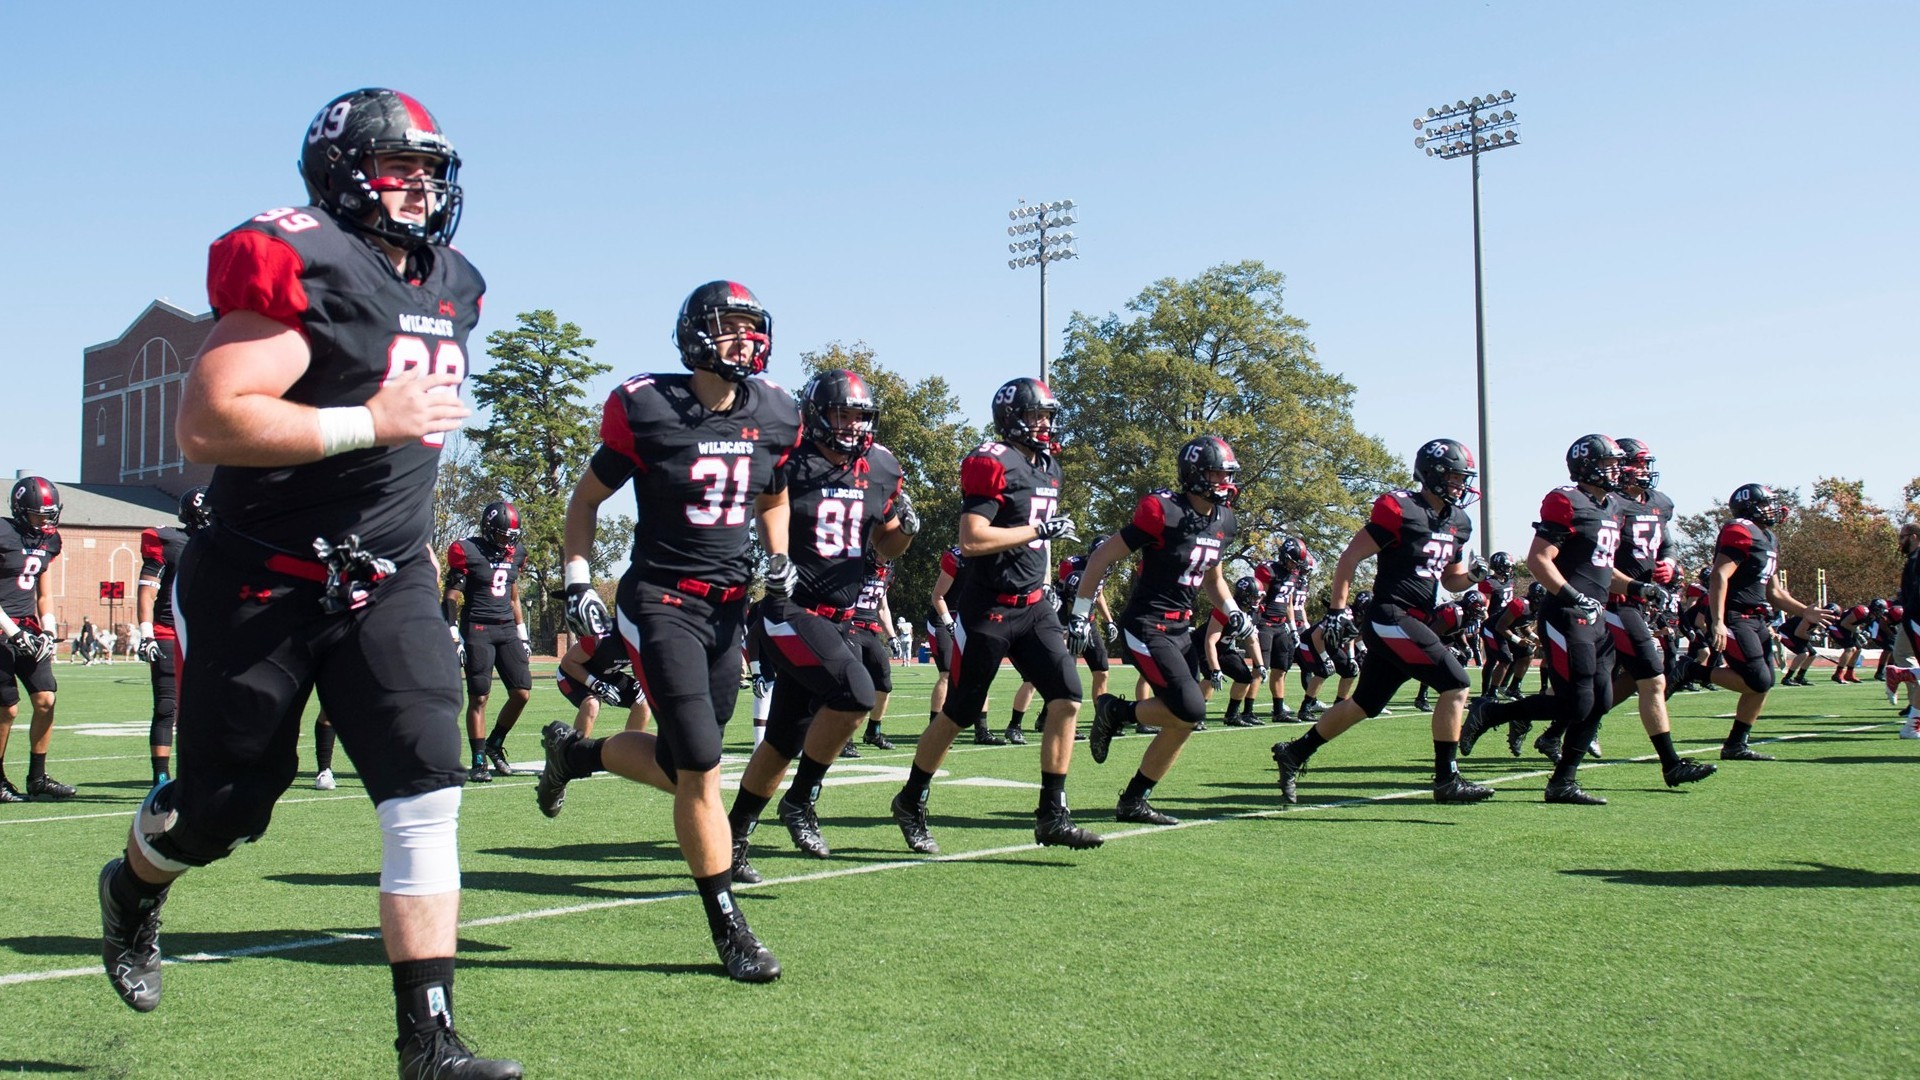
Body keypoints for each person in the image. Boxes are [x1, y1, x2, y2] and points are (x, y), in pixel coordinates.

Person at [94, 89, 519, 1078]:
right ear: (339, 175)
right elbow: (208, 423)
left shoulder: (456, 280)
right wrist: (369, 420)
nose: (422, 188)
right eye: (399, 168)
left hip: (389, 576)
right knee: (226, 808)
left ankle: (430, 1043)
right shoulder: (307, 259)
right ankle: (134, 884)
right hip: (260, 581)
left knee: (425, 788)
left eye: (431, 170)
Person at [539, 279, 800, 984]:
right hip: (658, 600)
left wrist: (778, 558)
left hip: (726, 609)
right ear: (694, 334)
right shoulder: (649, 405)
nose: (746, 340)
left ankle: (577, 756)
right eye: (731, 327)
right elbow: (587, 498)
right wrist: (576, 579)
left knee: (691, 762)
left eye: (754, 327)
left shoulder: (777, 410)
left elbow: (773, 491)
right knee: (704, 768)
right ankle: (728, 927)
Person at [890, 376, 1099, 854]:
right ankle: (911, 798)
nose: (1044, 424)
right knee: (959, 712)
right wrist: (1037, 529)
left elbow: (1035, 544)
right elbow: (972, 539)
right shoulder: (993, 462)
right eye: (1035, 415)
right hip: (990, 609)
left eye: (1048, 415)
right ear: (1011, 419)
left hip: (1034, 605)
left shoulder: (1049, 468)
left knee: (1067, 697)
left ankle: (1052, 814)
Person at [725, 368, 914, 878]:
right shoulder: (790, 460)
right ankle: (802, 799)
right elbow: (757, 512)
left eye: (861, 416)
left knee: (785, 737)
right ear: (818, 415)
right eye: (843, 414)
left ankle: (734, 836)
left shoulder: (881, 467)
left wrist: (907, 532)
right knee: (855, 693)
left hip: (846, 617)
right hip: (792, 610)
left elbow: (888, 542)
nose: (853, 425)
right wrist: (768, 556)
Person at [1269, 439, 1494, 806]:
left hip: (1415, 618)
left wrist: (1472, 577)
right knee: (1456, 683)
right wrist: (1338, 609)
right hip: (1391, 614)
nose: (1459, 484)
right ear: (1433, 474)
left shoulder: (1458, 522)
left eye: (1461, 477)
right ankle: (1446, 779)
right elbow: (1350, 557)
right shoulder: (1402, 509)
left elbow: (1450, 580)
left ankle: (1293, 753)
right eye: (1454, 476)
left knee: (1365, 704)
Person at [1079, 436, 1246, 825]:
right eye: (1216, 473)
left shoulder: (1224, 520)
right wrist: (1081, 611)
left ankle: (1133, 800)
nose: (1224, 480)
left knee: (1184, 719)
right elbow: (1103, 555)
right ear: (1194, 475)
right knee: (1191, 707)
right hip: (1147, 624)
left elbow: (1212, 577)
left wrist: (1232, 609)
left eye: (1227, 473)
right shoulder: (1162, 510)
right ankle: (1114, 710)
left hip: (1182, 628)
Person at [1683, 484, 1830, 759]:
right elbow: (1719, 576)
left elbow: (1774, 592)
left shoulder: (1769, 538)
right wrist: (1717, 621)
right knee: (1758, 680)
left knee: (1765, 683)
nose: (1774, 509)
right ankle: (1689, 671)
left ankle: (1736, 744)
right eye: (1766, 503)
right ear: (1750, 507)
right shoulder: (1741, 530)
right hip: (1735, 613)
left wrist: (1803, 611)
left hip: (1757, 616)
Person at [445, 500, 532, 782]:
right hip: (478, 628)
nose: (507, 542)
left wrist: (523, 632)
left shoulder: (516, 554)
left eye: (511, 537)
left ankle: (495, 744)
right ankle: (478, 760)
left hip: (507, 628)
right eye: (502, 535)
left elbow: (514, 595)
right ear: (488, 529)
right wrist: (453, 634)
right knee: (479, 696)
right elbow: (450, 598)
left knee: (522, 692)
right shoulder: (467, 551)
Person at [135, 487, 213, 787]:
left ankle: (197, 771)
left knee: (205, 706)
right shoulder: (169, 542)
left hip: (204, 635)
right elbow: (146, 590)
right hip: (168, 631)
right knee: (167, 705)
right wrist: (146, 633)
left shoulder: (221, 547)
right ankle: (161, 776)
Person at [0, 477, 70, 802]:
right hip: (3, 628)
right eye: (39, 514)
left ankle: (37, 778)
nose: (46, 520)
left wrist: (50, 631)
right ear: (19, 510)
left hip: (28, 628)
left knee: (46, 700)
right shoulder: (3, 533)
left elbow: (44, 593)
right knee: (7, 710)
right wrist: (12, 632)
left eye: (50, 514)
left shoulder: (49, 541)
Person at [554, 628, 649, 737]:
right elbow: (568, 662)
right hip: (572, 675)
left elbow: (638, 662)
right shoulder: (602, 635)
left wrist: (642, 680)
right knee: (592, 704)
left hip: (607, 674)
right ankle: (576, 750)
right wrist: (595, 684)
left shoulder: (646, 638)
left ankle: (627, 749)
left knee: (643, 702)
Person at [1253, 540, 1307, 722]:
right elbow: (1258, 598)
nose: (1294, 566)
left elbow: (1289, 602)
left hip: (1281, 625)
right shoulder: (1268, 570)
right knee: (1260, 668)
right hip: (1265, 623)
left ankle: (1278, 712)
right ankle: (1246, 711)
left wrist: (1292, 628)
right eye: (1292, 562)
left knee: (1280, 669)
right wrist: (1252, 622)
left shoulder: (1293, 574)